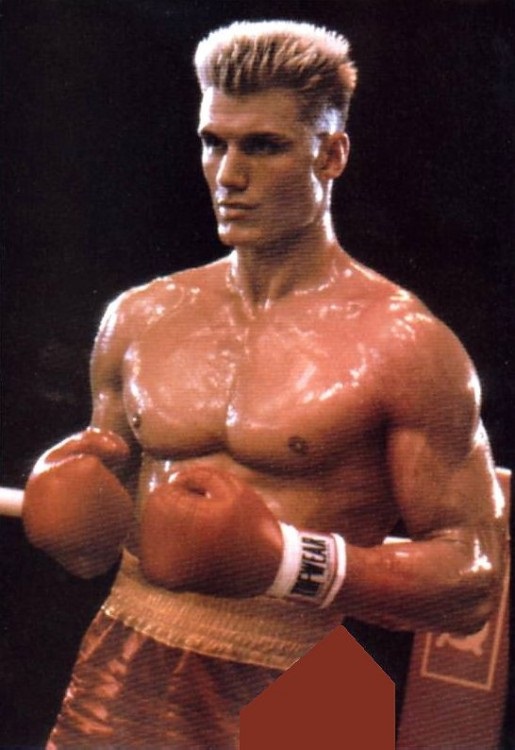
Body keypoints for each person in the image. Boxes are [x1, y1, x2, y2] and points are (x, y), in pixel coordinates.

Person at [21, 19, 506, 749]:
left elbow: (470, 580)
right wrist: (78, 524)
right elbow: (113, 539)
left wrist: (284, 562)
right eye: (213, 142)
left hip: (300, 681)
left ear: (331, 153)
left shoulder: (406, 345)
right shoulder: (139, 318)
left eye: (264, 146)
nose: (228, 175)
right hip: (125, 666)